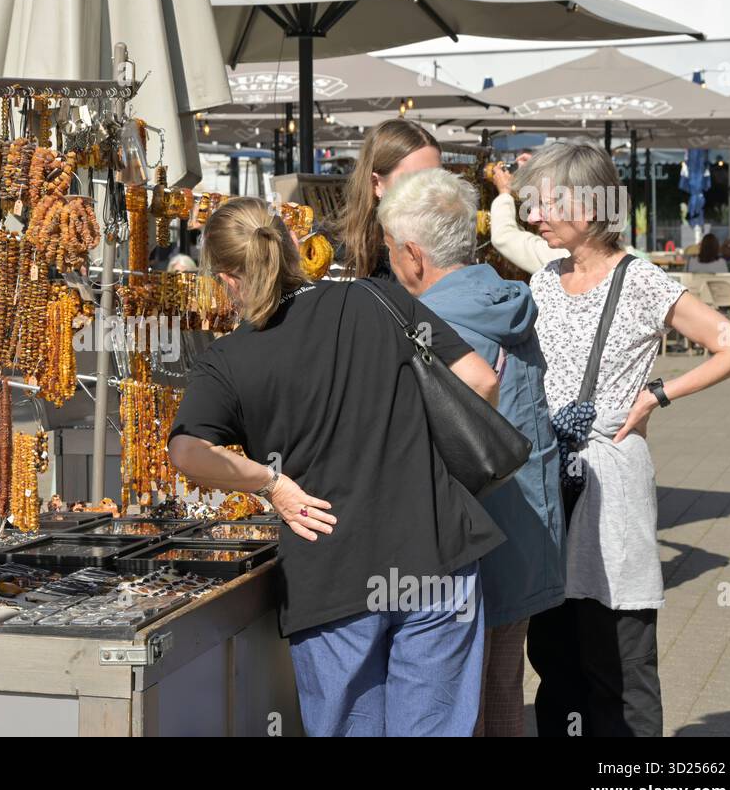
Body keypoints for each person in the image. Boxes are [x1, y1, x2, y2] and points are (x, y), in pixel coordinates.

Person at [167, 196, 504, 737]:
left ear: (227, 279)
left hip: (333, 572)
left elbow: (187, 452)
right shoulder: (378, 298)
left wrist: (272, 483)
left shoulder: (228, 360)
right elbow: (482, 380)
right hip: (435, 553)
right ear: (293, 245)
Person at [514, 142, 730, 737]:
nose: (533, 216)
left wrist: (657, 395)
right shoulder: (544, 279)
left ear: (587, 202)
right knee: (554, 656)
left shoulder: (643, 279)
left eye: (545, 203)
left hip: (611, 484)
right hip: (551, 479)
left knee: (620, 658)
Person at [380, 168, 566, 737]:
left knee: (461, 707)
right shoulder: (509, 300)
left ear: (414, 254)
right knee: (503, 688)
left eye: (389, 250)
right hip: (529, 532)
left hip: (468, 546)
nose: (388, 262)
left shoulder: (428, 324)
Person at [336, 118, 441, 279]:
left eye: (438, 180)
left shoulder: (448, 254)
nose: (429, 194)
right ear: (376, 184)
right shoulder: (338, 263)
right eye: (413, 181)